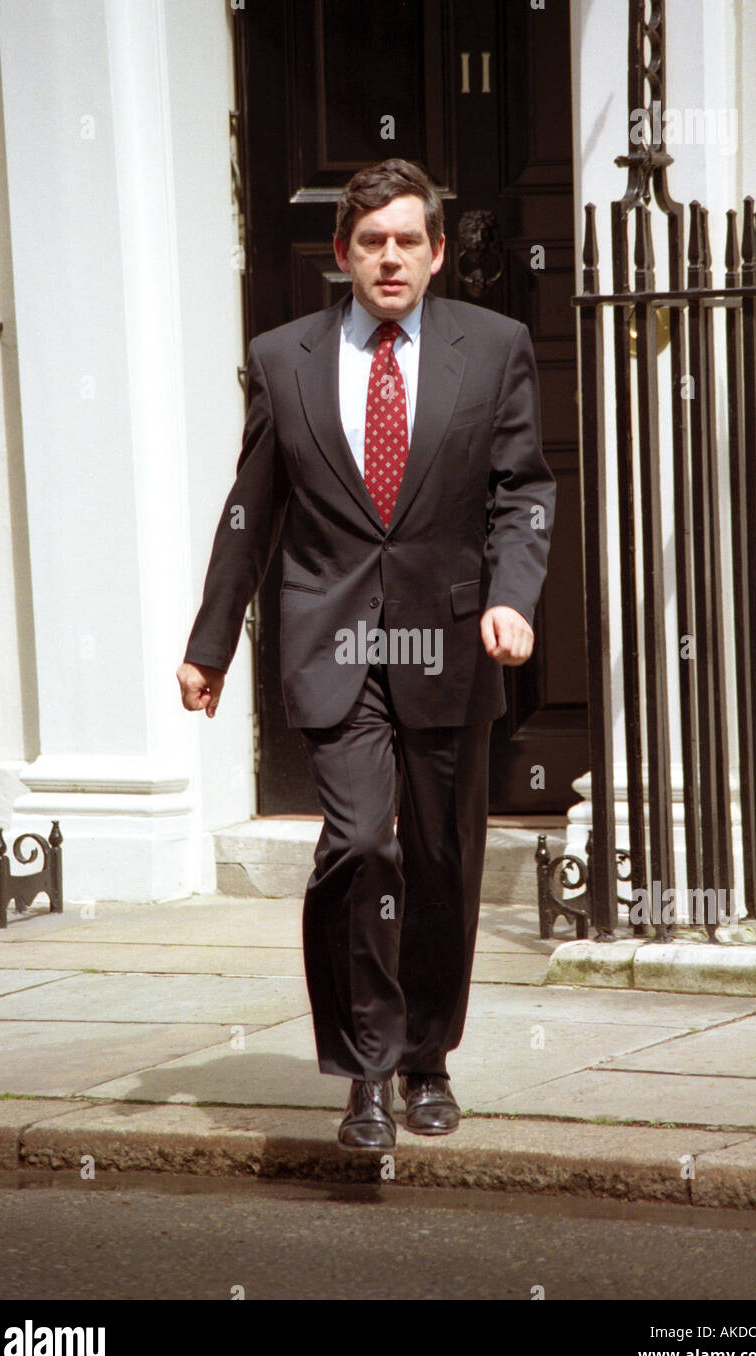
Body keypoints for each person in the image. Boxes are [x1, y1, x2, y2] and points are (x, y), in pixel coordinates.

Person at [177, 158, 556, 1151]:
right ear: (341, 254)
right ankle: (363, 1074)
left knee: (438, 857)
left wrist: (512, 598)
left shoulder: (496, 347)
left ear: (436, 253)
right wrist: (210, 642)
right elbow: (249, 508)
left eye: (407, 240)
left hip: (449, 641)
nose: (389, 257)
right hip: (331, 640)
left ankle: (427, 1057)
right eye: (370, 241)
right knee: (355, 847)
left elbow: (522, 491)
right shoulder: (285, 357)